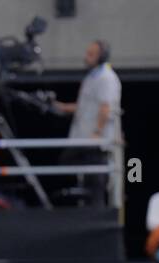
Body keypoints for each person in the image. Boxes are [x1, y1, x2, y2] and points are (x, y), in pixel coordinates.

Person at [52, 39, 121, 207]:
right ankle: (80, 201)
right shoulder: (91, 77)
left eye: (91, 54)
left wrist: (97, 132)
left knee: (95, 184)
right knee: (68, 164)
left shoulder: (106, 78)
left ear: (101, 57)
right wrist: (59, 107)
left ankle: (97, 217)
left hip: (94, 142)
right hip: (82, 138)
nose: (86, 57)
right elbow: (84, 107)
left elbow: (105, 107)